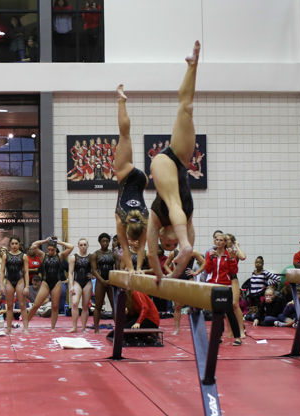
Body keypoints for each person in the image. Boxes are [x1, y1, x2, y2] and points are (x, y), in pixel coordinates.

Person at [147, 41, 201, 283]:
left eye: (167, 243)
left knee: (172, 202)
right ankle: (193, 63)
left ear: (161, 235)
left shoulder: (155, 220)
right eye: (174, 244)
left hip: (163, 163)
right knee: (186, 109)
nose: (170, 243)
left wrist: (160, 277)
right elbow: (181, 269)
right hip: (181, 160)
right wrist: (174, 276)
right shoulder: (187, 227)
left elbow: (150, 253)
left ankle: (192, 63)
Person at [113, 84, 150, 273]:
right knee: (124, 135)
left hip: (143, 181)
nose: (131, 241)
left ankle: (121, 100)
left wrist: (136, 270)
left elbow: (142, 248)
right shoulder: (121, 220)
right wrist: (135, 269)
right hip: (126, 176)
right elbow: (130, 248)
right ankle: (121, 100)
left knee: (125, 137)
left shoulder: (144, 219)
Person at [25, 237, 73, 331]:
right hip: (46, 282)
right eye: (49, 249)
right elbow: (33, 245)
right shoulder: (43, 255)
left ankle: (52, 328)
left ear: (55, 249)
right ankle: (26, 325)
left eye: (52, 250)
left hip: (56, 283)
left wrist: (59, 242)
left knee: (55, 307)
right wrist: (45, 241)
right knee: (36, 305)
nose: (50, 251)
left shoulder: (60, 256)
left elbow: (71, 247)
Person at [0, 237, 29, 333]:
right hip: (9, 281)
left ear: (19, 244)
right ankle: (8, 328)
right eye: (12, 244)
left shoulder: (24, 256)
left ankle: (25, 328)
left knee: (22, 305)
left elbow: (26, 272)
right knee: (9, 306)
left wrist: (27, 286)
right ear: (9, 245)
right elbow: (2, 271)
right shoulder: (5, 255)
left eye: (16, 243)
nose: (14, 246)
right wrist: (1, 285)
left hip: (20, 281)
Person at [90, 233, 116, 333]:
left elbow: (117, 268)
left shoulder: (112, 254)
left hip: (111, 281)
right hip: (100, 281)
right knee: (98, 305)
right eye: (103, 241)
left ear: (109, 242)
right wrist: (102, 281)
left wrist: (111, 280)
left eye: (107, 241)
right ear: (99, 242)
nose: (105, 243)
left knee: (114, 305)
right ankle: (96, 328)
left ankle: (117, 327)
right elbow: (94, 270)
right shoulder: (95, 254)